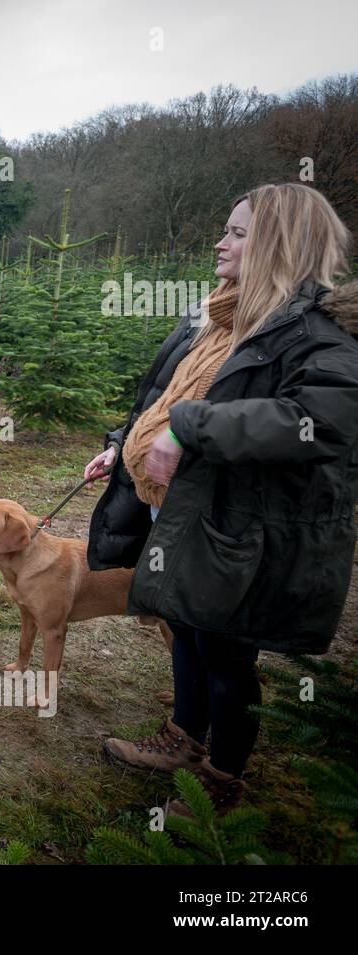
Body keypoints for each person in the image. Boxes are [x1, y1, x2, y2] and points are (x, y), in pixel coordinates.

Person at [84, 184, 358, 816]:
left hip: (240, 526)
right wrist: (124, 442)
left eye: (238, 233)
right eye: (225, 231)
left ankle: (221, 779)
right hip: (176, 505)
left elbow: (313, 422)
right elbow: (164, 392)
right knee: (185, 628)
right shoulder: (216, 316)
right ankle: (183, 737)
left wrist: (190, 429)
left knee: (226, 652)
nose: (220, 243)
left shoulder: (318, 336)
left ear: (280, 244)